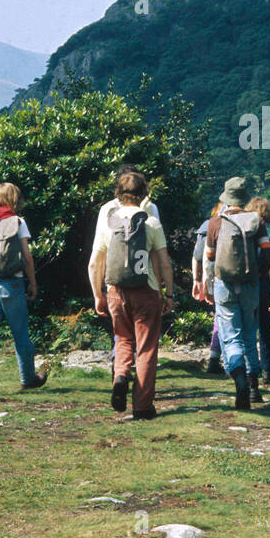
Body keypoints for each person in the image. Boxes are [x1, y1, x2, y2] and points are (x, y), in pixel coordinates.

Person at [91, 170, 174, 421]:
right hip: (146, 291)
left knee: (123, 338)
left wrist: (99, 295)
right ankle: (142, 407)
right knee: (147, 348)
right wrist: (168, 293)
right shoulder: (150, 222)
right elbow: (164, 262)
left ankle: (120, 375)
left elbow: (96, 263)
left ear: (118, 192)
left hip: (116, 290)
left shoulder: (109, 221)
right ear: (143, 194)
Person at [202, 177, 270, 410]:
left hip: (224, 285)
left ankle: (240, 380)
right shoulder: (256, 221)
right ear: (244, 199)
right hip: (251, 285)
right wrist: (258, 274)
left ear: (226, 197)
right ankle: (253, 386)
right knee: (249, 335)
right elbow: (268, 255)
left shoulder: (215, 223)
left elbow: (209, 260)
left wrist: (209, 287)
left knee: (230, 336)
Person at [0, 182, 47, 398]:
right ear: (14, 199)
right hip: (13, 284)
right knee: (20, 335)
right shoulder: (18, 222)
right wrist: (32, 283)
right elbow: (27, 257)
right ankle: (28, 379)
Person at [88, 164, 161, 366]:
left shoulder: (107, 209)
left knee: (122, 334)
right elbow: (155, 249)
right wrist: (162, 288)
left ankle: (119, 368)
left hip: (115, 279)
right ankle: (139, 372)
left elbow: (98, 254)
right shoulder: (151, 208)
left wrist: (98, 292)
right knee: (143, 337)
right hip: (145, 279)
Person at [245, 195, 270, 383]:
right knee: (266, 329)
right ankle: (269, 372)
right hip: (264, 284)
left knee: (246, 328)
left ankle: (247, 370)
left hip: (245, 284)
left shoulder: (244, 230)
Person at [192, 203, 225, 374]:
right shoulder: (231, 225)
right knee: (226, 318)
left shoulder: (206, 226)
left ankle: (214, 357)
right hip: (227, 279)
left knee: (219, 318)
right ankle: (222, 360)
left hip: (210, 278)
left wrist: (197, 280)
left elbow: (197, 256)